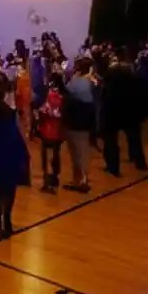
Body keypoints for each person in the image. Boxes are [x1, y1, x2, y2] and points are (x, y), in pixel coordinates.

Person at [0, 81, 27, 239]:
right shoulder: (7, 111)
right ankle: (7, 219)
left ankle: (0, 221)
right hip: (12, 149)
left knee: (0, 188)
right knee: (9, 188)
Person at [101, 48, 148, 177]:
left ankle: (113, 167)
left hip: (113, 111)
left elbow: (106, 92)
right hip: (131, 110)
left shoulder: (111, 72)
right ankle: (140, 163)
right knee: (135, 139)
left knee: (111, 140)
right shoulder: (133, 72)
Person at [62, 57, 97, 193]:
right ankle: (80, 179)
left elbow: (66, 93)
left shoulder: (78, 82)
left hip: (75, 121)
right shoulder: (91, 81)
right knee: (82, 151)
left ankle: (81, 181)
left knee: (77, 152)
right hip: (85, 121)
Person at [35, 73, 65, 193]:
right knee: (55, 155)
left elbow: (45, 111)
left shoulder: (51, 95)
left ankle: (48, 183)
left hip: (48, 130)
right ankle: (55, 179)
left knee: (47, 157)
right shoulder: (64, 95)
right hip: (59, 131)